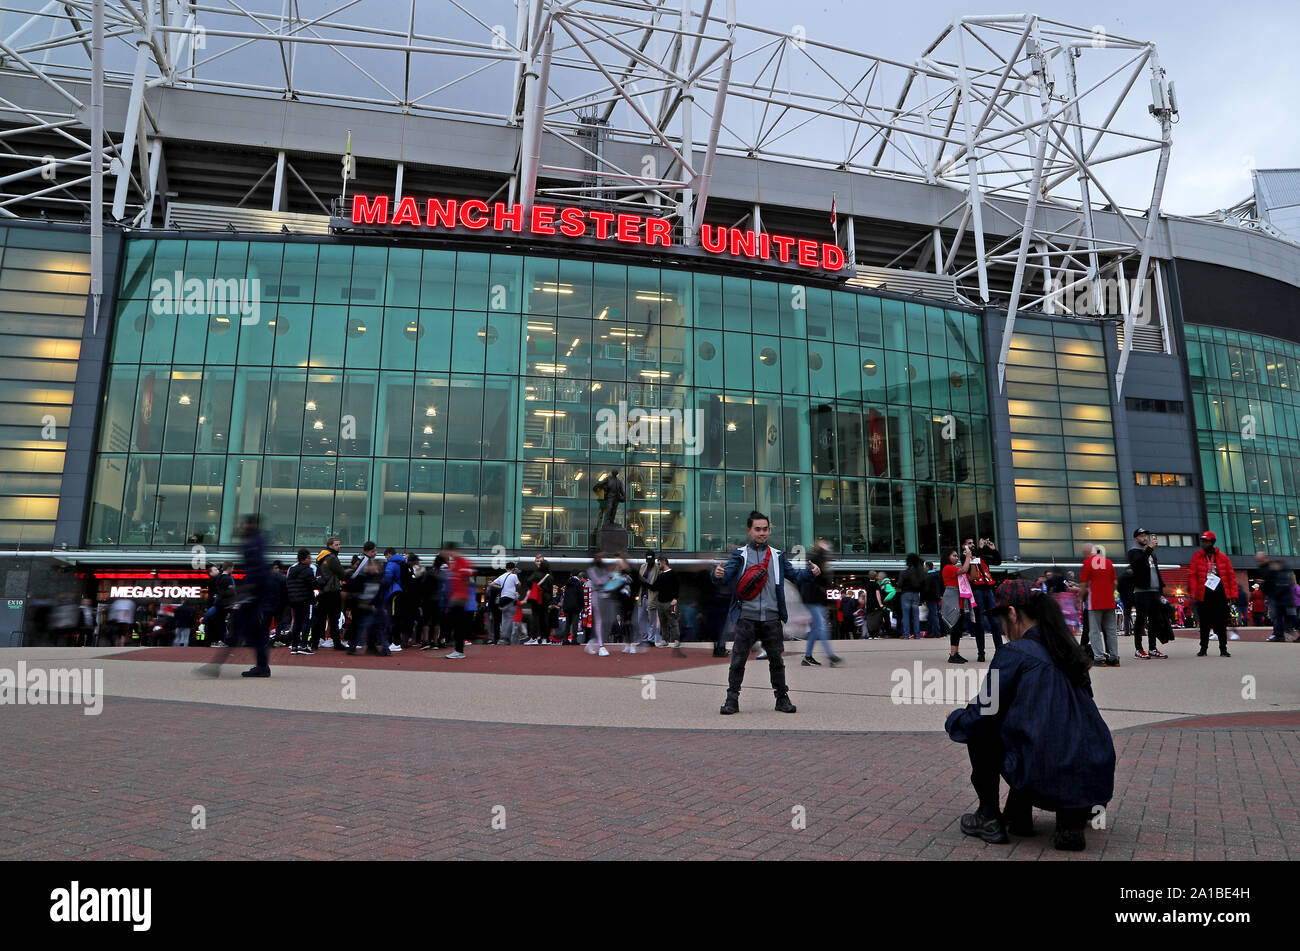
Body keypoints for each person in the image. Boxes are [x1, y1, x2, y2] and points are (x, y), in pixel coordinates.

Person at [946, 580, 1115, 851]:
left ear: (1012, 614)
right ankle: (1051, 819)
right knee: (1038, 727)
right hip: (1095, 774)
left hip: (1046, 773)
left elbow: (985, 712)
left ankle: (988, 817)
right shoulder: (1066, 649)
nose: (1002, 629)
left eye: (1001, 620)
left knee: (980, 730)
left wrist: (955, 719)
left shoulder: (1014, 653)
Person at [712, 510, 820, 715]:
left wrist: (811, 573)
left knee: (777, 661)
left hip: (771, 618)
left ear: (769, 530)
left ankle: (782, 699)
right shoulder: (740, 554)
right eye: (758, 529)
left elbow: (795, 576)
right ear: (749, 531)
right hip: (747, 617)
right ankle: (731, 700)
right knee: (738, 661)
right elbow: (725, 577)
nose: (762, 533)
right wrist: (717, 574)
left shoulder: (777, 556)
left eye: (765, 529)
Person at [1189, 531, 1237, 658]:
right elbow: (1192, 575)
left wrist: (1233, 595)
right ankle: (1203, 648)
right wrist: (1193, 592)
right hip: (1204, 593)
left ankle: (1223, 649)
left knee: (1221, 623)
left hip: (1220, 593)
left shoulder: (1223, 557)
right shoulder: (1197, 556)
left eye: (1206, 541)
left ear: (1212, 542)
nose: (1204, 543)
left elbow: (1231, 576)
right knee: (1204, 623)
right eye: (1203, 541)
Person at [1127, 528, 1166, 660]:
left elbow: (1156, 570)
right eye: (1141, 536)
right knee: (1141, 620)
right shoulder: (1133, 552)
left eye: (1145, 536)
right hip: (1141, 591)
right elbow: (1139, 564)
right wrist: (1149, 548)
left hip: (1154, 590)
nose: (1144, 538)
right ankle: (1138, 649)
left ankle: (1152, 648)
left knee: (1154, 620)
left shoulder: (1151, 553)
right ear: (1136, 538)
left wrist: (1161, 590)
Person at [800, 540, 841, 666]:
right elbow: (818, 581)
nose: (829, 550)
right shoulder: (816, 560)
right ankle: (830, 655)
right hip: (812, 599)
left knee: (815, 629)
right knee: (821, 626)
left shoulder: (822, 563)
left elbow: (824, 584)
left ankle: (807, 657)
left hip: (816, 600)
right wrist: (822, 550)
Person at [1078, 545, 1119, 667]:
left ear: (1087, 552)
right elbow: (1115, 582)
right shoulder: (1108, 562)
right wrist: (1109, 592)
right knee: (1111, 631)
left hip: (1095, 601)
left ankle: (1099, 658)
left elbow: (1084, 585)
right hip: (1109, 601)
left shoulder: (1087, 563)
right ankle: (1114, 657)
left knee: (1094, 631)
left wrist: (1079, 600)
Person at [966, 536, 1003, 651]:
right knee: (980, 622)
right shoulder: (965, 558)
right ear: (964, 546)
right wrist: (980, 548)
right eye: (970, 543)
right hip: (977, 590)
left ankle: (1000, 649)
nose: (973, 545)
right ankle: (981, 652)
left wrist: (993, 550)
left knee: (995, 621)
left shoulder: (982, 557)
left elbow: (997, 562)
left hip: (988, 590)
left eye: (973, 543)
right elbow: (973, 557)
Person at [441, 541, 475, 658]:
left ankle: (459, 650)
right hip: (456, 598)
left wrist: (462, 596)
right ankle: (458, 650)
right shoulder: (455, 563)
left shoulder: (462, 562)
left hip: (460, 598)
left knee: (458, 625)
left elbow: (466, 579)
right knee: (455, 624)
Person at [941, 547, 975, 663]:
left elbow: (973, 577)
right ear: (947, 557)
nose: (956, 558)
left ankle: (955, 653)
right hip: (953, 599)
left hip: (959, 600)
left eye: (957, 556)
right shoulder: (948, 568)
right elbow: (964, 570)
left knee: (958, 628)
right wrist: (968, 557)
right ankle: (953, 654)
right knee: (955, 627)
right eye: (954, 556)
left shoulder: (955, 569)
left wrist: (973, 563)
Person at [314, 537, 349, 651]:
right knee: (334, 618)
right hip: (332, 591)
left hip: (323, 591)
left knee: (320, 618)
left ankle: (315, 642)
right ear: (330, 545)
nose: (339, 547)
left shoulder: (321, 556)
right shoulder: (332, 557)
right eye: (336, 545)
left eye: (339, 544)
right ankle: (336, 643)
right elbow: (341, 573)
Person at [1256, 552, 1299, 642]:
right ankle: (1278, 634)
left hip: (1285, 599)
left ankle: (1279, 634)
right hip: (1279, 599)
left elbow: (1281, 585)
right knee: (1279, 617)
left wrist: (1272, 591)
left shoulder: (1281, 573)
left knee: (1291, 618)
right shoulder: (1273, 572)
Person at [286, 548, 316, 655]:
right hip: (305, 599)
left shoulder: (292, 570)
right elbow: (313, 584)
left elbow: (288, 585)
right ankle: (303, 646)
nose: (310, 560)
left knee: (296, 622)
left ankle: (294, 646)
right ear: (304, 559)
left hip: (294, 600)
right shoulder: (308, 570)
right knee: (306, 622)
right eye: (309, 558)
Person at [651, 556, 681, 649]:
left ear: (664, 562)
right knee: (663, 622)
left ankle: (676, 640)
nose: (658, 565)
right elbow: (654, 587)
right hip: (660, 602)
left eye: (659, 563)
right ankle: (665, 640)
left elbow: (677, 586)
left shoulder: (673, 574)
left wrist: (675, 598)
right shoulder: (660, 575)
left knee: (673, 621)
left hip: (670, 602)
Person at [898, 553, 926, 640]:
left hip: (906, 594)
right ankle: (917, 634)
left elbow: (900, 584)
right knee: (916, 616)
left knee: (906, 615)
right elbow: (923, 585)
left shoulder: (903, 573)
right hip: (916, 594)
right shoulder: (919, 573)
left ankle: (906, 634)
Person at [562, 573, 585, 644]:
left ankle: (565, 639)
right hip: (575, 606)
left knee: (567, 624)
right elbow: (581, 596)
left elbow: (565, 595)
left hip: (567, 606)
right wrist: (582, 606)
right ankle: (574, 639)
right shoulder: (578, 583)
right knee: (575, 624)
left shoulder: (567, 583)